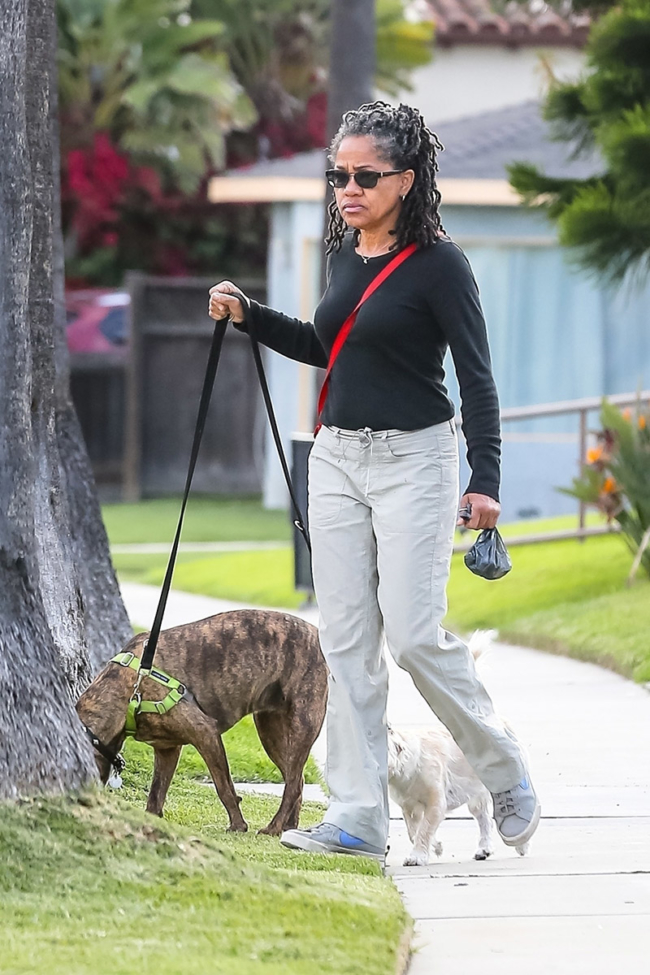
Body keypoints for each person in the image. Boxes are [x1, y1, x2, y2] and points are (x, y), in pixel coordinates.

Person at [208, 101, 540, 863]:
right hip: (337, 459)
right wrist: (250, 315)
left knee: (416, 633)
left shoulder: (440, 266)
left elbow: (477, 380)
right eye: (338, 176)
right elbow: (327, 345)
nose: (346, 189)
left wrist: (483, 478)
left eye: (364, 176)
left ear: (406, 180)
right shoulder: (343, 255)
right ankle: (357, 817)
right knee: (349, 643)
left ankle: (503, 765)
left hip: (416, 460)